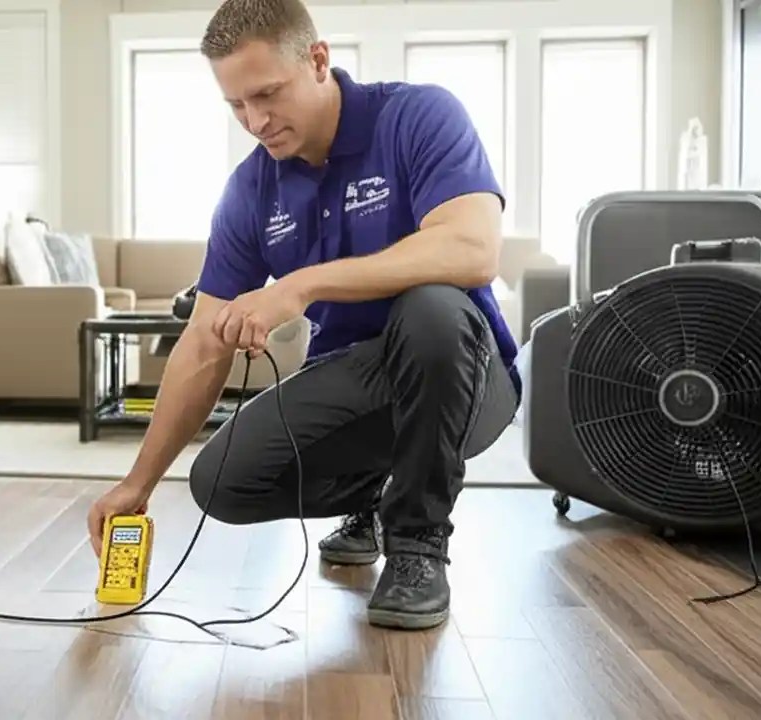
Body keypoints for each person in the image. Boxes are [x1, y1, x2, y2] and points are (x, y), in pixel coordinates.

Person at [86, 0, 520, 631]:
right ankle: (373, 494)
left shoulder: (418, 115)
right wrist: (138, 484)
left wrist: (299, 284)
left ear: (318, 60)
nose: (255, 120)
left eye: (267, 94)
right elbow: (204, 343)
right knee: (223, 481)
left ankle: (419, 545)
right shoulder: (249, 190)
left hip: (465, 374)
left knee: (430, 309)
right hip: (356, 378)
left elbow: (473, 249)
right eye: (236, 105)